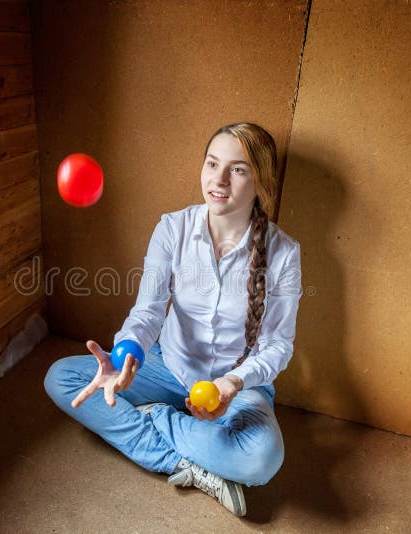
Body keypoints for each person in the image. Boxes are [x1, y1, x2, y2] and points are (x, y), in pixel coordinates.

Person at [44, 122, 303, 516]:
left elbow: (277, 345)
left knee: (260, 460)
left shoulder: (284, 254)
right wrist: (126, 355)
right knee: (61, 378)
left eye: (237, 169)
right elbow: (148, 311)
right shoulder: (172, 229)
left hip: (240, 388)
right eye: (212, 163)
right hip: (169, 367)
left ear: (260, 182)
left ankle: (153, 419)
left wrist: (233, 383)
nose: (218, 180)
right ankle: (184, 464)